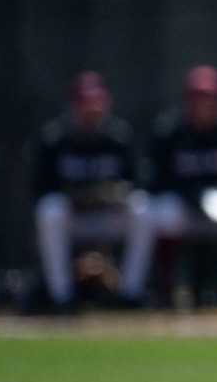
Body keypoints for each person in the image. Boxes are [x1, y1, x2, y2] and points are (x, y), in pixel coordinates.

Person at [30, 70, 154, 309]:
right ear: (73, 108)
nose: (90, 114)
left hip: (107, 218)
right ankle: (62, 297)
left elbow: (140, 182)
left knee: (143, 208)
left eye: (95, 108)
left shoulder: (118, 138)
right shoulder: (56, 140)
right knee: (50, 209)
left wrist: (114, 193)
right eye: (84, 107)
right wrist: (80, 195)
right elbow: (40, 189)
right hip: (73, 219)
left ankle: (130, 294)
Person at [146, 65, 217, 301]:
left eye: (209, 99)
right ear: (187, 101)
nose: (204, 105)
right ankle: (165, 289)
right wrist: (191, 194)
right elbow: (157, 181)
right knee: (162, 213)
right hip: (185, 206)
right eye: (198, 99)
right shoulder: (168, 133)